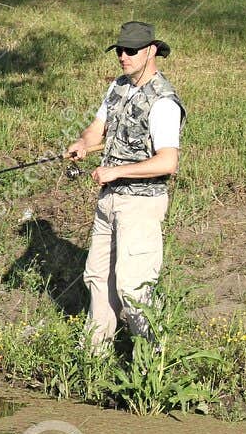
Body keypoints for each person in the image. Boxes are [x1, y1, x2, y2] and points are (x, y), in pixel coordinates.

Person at [64, 21, 184, 348]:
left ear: (152, 51)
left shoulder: (164, 102)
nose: (123, 56)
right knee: (98, 278)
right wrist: (84, 143)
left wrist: (117, 172)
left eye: (131, 50)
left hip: (141, 204)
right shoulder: (118, 87)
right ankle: (94, 358)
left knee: (134, 288)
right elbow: (96, 127)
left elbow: (167, 162)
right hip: (108, 202)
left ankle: (154, 361)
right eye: (119, 49)